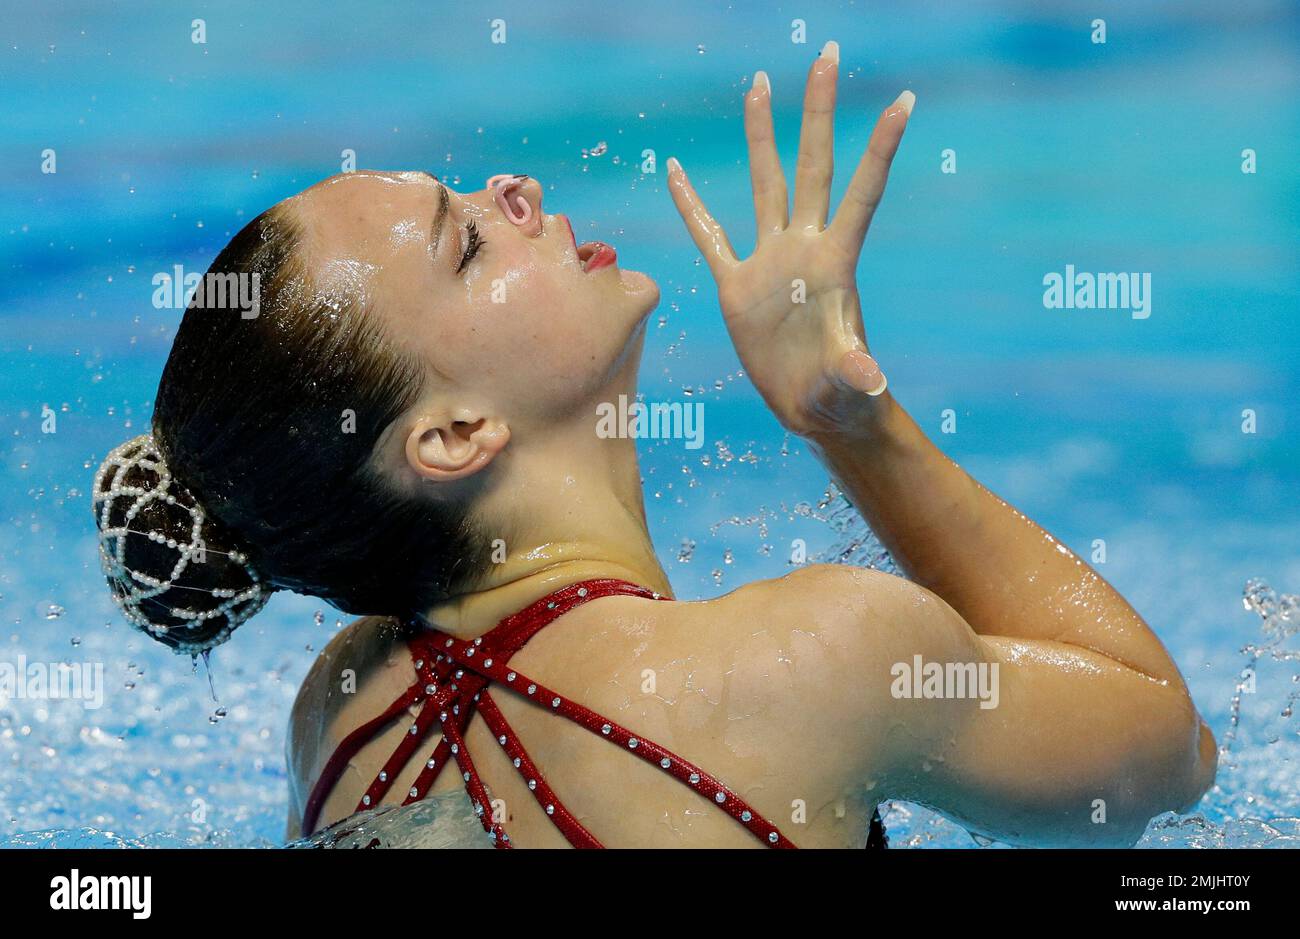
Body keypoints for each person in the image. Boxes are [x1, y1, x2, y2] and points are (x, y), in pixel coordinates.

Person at [93, 41, 1216, 848]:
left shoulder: (340, 725)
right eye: (467, 245)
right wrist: (851, 425)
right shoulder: (812, 664)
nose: (514, 191)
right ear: (452, 434)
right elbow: (1167, 756)